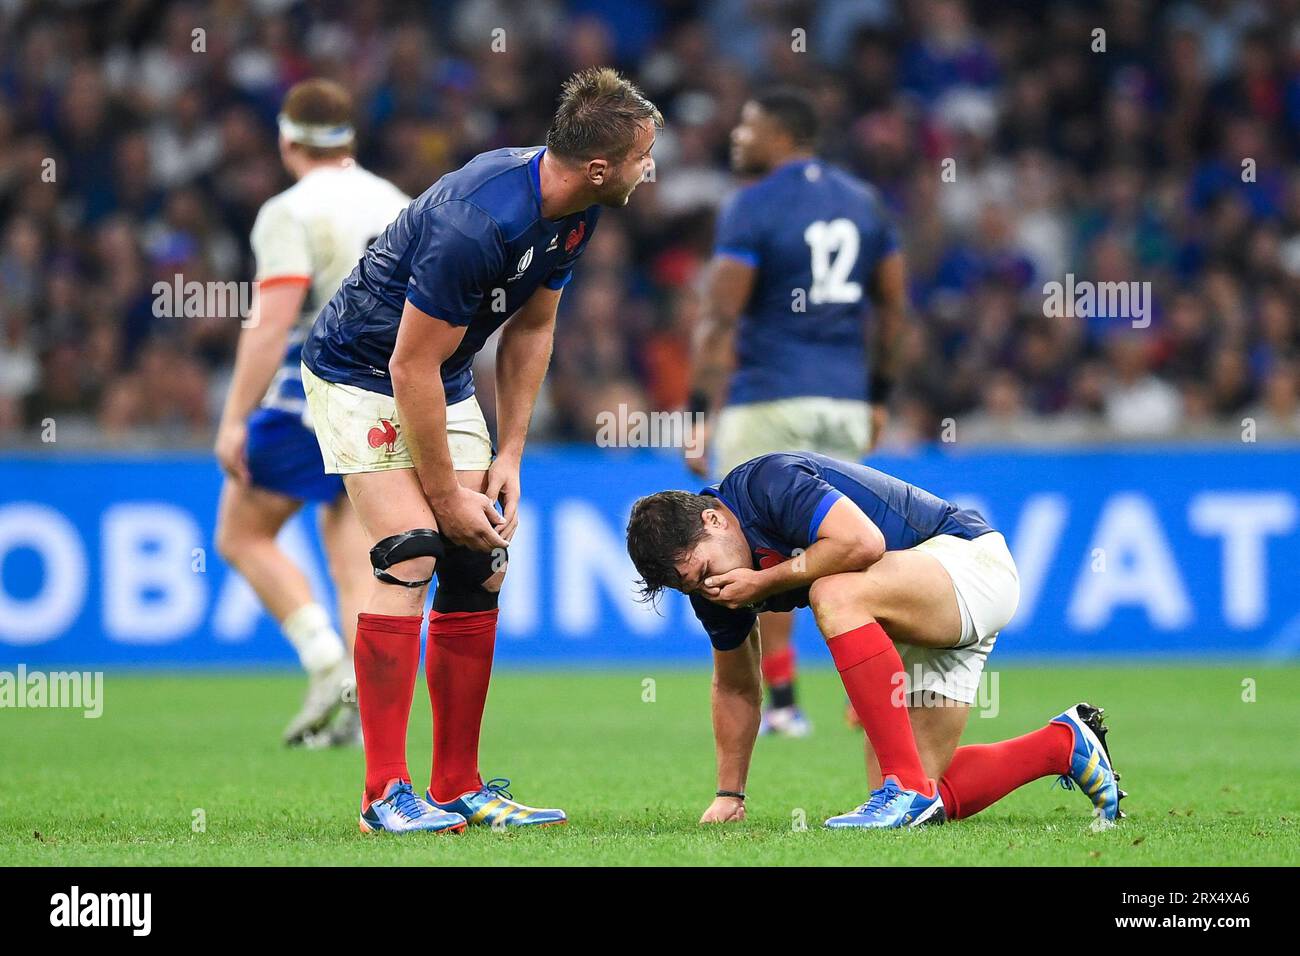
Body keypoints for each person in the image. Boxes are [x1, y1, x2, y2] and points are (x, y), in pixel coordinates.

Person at [301, 67, 661, 834]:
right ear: (600, 166)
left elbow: (531, 329)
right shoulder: (478, 222)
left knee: (481, 559)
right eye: (643, 156)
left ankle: (458, 784)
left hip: (446, 373)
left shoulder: (575, 210)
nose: (649, 169)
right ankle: (382, 797)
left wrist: (511, 453)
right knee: (413, 550)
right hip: (362, 370)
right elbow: (406, 365)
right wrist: (447, 491)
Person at [626, 451, 1126, 829]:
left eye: (705, 571)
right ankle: (1063, 744)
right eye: (691, 586)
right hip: (913, 608)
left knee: (834, 590)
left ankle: (904, 787)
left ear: (712, 519)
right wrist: (729, 795)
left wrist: (762, 583)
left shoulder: (767, 483)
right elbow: (735, 687)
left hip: (965, 564)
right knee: (931, 800)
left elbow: (862, 544)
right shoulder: (713, 585)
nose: (708, 588)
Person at [687, 89, 909, 737]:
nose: (737, 133)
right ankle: (876, 685)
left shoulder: (751, 205)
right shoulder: (865, 201)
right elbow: (895, 310)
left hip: (771, 395)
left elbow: (719, 316)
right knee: (852, 544)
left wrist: (701, 409)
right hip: (843, 399)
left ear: (782, 134)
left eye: (748, 124)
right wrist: (878, 395)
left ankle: (780, 700)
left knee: (759, 547)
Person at [214, 79, 408, 747]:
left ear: (286, 139)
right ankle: (363, 704)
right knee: (356, 567)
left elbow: (271, 322)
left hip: (312, 393)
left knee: (241, 534)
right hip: (385, 399)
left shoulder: (289, 211)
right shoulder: (399, 202)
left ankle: (325, 662)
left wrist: (235, 416)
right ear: (350, 137)